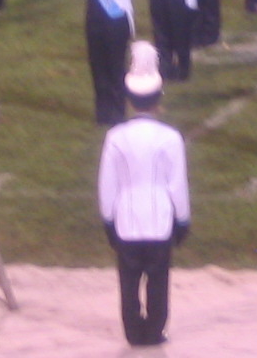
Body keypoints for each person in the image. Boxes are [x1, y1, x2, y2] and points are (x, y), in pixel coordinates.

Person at [98, 40, 191, 347]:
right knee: (158, 281)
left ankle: (133, 333)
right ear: (159, 98)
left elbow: (107, 184)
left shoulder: (115, 137)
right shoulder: (170, 137)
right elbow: (177, 184)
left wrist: (108, 219)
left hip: (125, 221)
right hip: (160, 222)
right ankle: (154, 332)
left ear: (128, 99)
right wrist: (183, 219)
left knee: (128, 282)